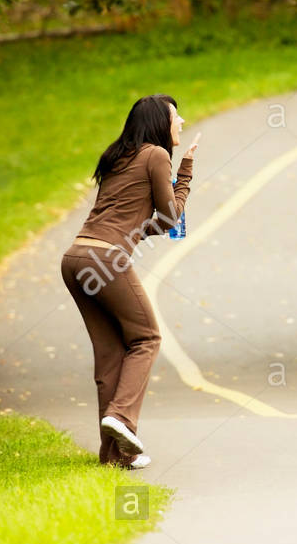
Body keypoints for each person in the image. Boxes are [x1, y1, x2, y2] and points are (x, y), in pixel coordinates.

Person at [60, 94, 200, 468]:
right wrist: (185, 173)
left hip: (76, 257)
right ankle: (121, 418)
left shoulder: (118, 156)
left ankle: (114, 455)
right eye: (176, 117)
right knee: (147, 338)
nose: (181, 123)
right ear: (159, 122)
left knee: (110, 352)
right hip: (105, 258)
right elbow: (169, 218)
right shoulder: (156, 155)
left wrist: (141, 230)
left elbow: (139, 223)